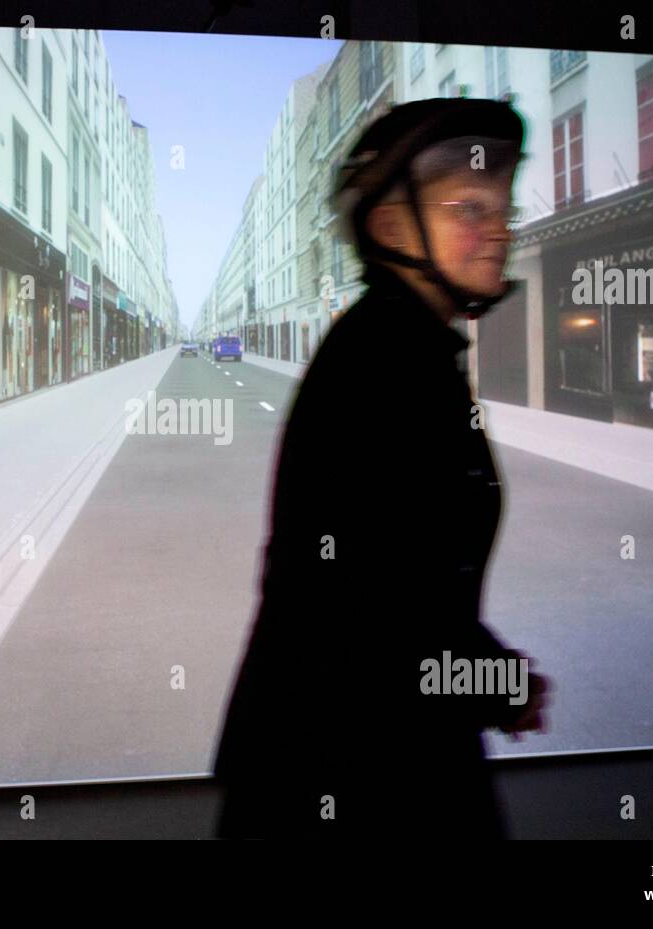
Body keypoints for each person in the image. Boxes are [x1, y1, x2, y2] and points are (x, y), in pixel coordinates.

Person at [213, 98, 552, 839]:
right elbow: (378, 622)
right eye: (469, 206)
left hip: (368, 759)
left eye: (503, 206)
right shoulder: (386, 366)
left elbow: (410, 591)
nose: (498, 227)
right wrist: (499, 681)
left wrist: (491, 674)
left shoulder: (409, 350)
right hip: (347, 775)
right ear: (392, 227)